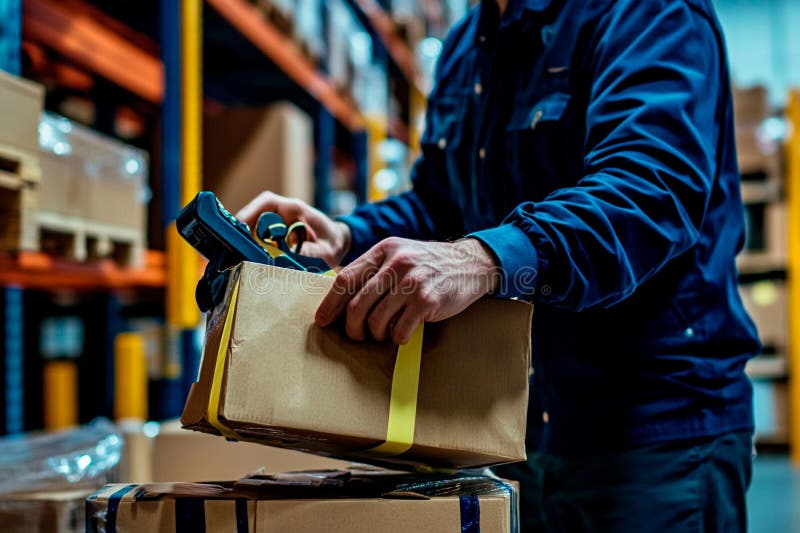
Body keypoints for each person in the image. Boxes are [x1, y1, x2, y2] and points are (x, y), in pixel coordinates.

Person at [238, 0, 759, 530]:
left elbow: (649, 190)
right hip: (518, 427)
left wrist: (481, 259)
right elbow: (441, 202)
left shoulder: (647, 12)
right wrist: (348, 235)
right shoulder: (470, 43)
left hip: (655, 432)